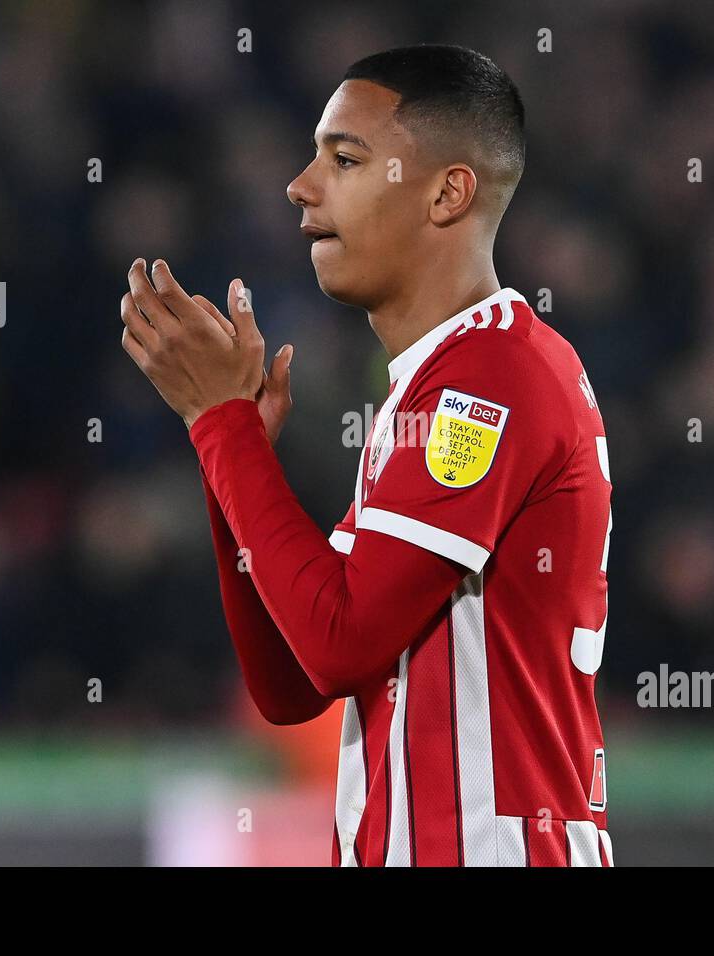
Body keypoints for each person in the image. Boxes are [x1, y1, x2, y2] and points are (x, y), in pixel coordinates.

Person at [120, 44, 613, 866]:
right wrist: (230, 445)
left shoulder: (489, 378)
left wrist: (221, 425)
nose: (301, 186)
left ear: (448, 193)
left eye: (344, 158)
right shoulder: (429, 391)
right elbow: (290, 683)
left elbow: (340, 641)